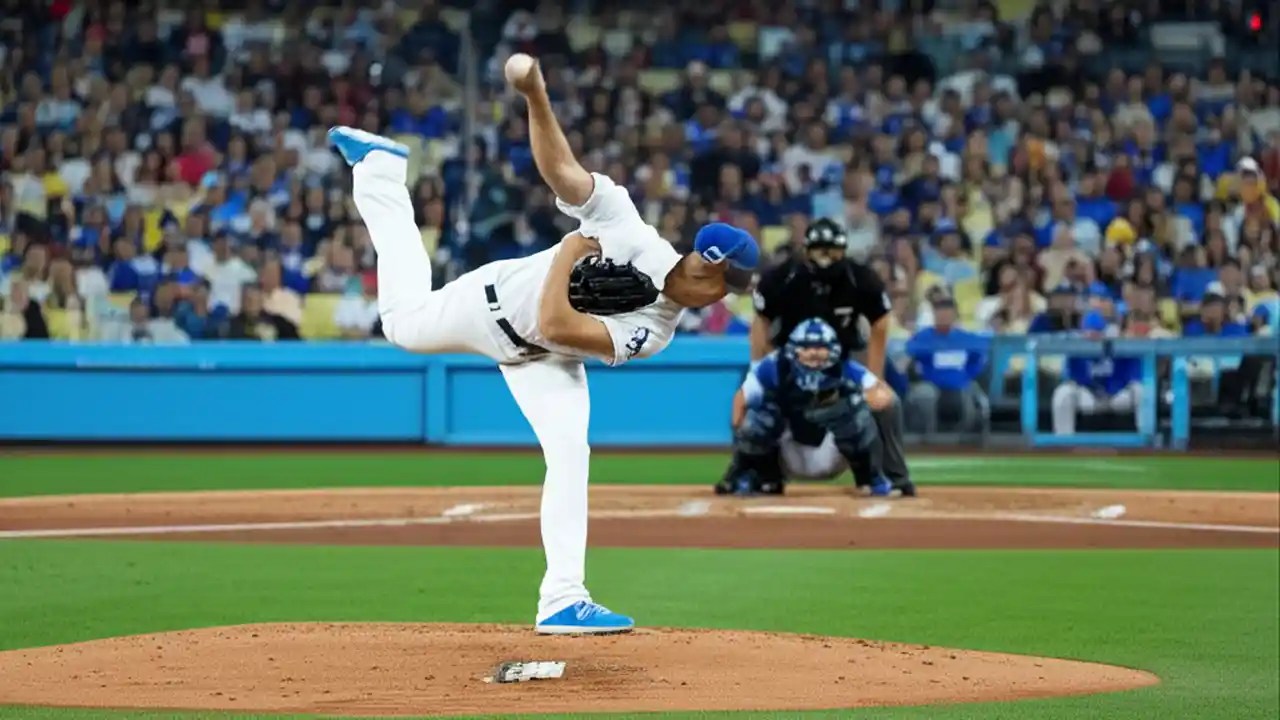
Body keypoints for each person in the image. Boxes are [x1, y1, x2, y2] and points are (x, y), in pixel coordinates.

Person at [330, 53, 758, 636]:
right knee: (402, 324)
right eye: (725, 282)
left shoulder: (656, 331)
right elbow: (564, 173)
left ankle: (563, 598)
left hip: (546, 355)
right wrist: (534, 93)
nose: (722, 296)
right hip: (492, 307)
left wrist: (564, 256)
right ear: (704, 263)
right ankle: (380, 169)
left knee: (570, 452)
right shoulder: (629, 230)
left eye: (733, 290)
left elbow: (558, 329)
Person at [744, 216, 915, 495]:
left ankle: (894, 476)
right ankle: (764, 475)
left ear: (843, 251)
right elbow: (760, 322)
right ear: (807, 250)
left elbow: (880, 323)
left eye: (832, 251)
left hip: (842, 368)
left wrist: (875, 376)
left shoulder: (859, 279)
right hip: (789, 366)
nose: (826, 258)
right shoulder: (783, 277)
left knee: (886, 403)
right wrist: (758, 368)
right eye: (820, 250)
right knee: (754, 399)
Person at [715, 317, 896, 496]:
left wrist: (854, 400)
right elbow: (742, 398)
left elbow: (882, 396)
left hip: (831, 450)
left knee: (858, 415)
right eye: (807, 347)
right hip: (787, 450)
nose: (813, 353)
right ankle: (755, 476)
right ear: (794, 348)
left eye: (820, 347)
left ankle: (870, 478)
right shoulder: (774, 366)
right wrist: (741, 435)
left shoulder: (844, 368)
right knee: (759, 418)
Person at [904, 298, 988, 438]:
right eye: (940, 314)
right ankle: (929, 438)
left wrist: (968, 375)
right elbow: (910, 354)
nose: (943, 318)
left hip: (961, 384)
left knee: (973, 394)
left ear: (954, 315)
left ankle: (966, 440)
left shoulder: (965, 338)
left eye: (947, 314)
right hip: (930, 383)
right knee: (924, 394)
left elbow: (980, 358)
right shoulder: (923, 337)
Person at [1051, 312, 1144, 435]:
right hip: (1089, 396)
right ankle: (1063, 443)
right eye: (1089, 333)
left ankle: (1146, 441)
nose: (1093, 336)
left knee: (1142, 391)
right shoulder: (1075, 347)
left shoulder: (1118, 344)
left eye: (1097, 333)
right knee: (1063, 393)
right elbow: (1070, 379)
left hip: (1116, 396)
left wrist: (1112, 391)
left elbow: (1134, 375)